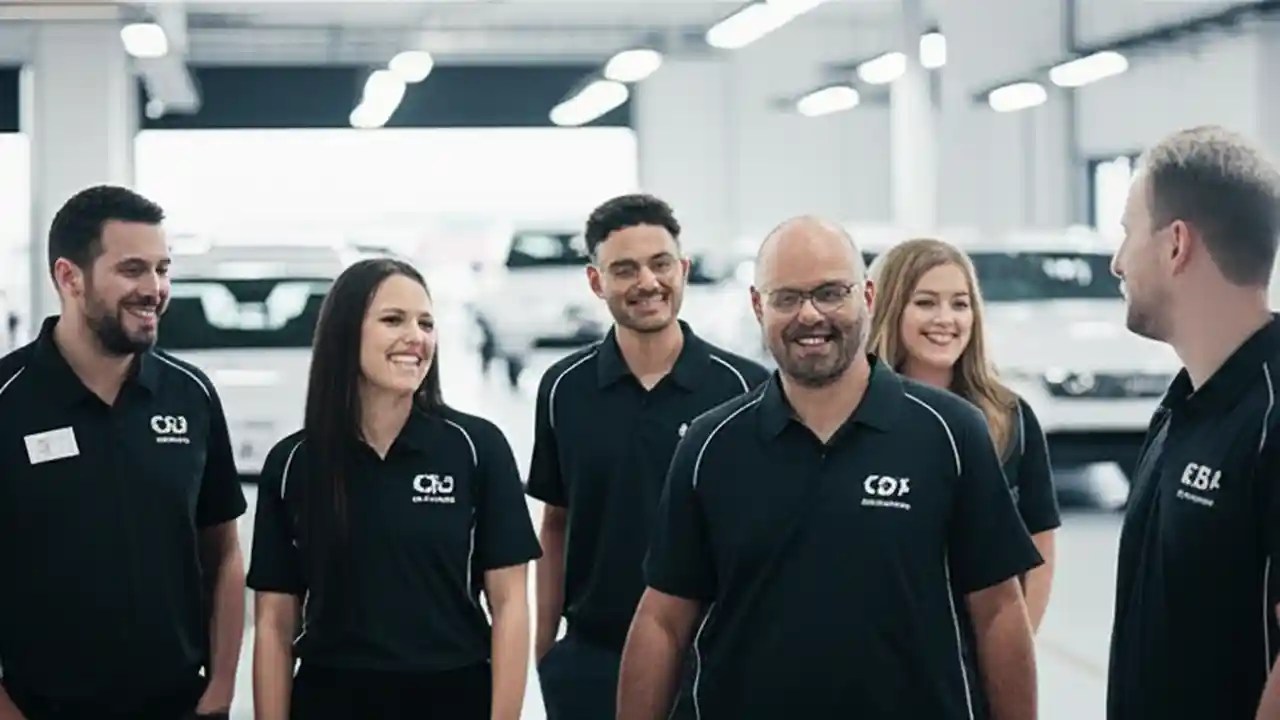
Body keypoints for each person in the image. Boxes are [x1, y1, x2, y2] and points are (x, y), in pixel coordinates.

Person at [619, 216, 1042, 719]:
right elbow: (663, 619)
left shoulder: (951, 433)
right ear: (759, 306)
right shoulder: (711, 446)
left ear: (866, 296)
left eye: (830, 293)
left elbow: (997, 609)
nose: (810, 315)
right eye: (787, 298)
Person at [247, 258, 541, 720]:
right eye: (393, 320)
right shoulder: (294, 463)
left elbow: (509, 607)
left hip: (453, 696)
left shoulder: (476, 449)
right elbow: (273, 623)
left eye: (426, 323)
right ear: (346, 333)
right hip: (330, 700)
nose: (417, 337)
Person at [0, 185, 247, 720]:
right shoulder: (7, 400)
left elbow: (223, 554)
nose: (154, 289)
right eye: (132, 269)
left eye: (162, 269)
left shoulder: (193, 396)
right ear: (69, 278)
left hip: (178, 705)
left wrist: (221, 689)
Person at [526, 193, 768, 719]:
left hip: (710, 657)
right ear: (596, 281)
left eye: (661, 265)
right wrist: (545, 652)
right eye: (625, 269)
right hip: (593, 660)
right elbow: (556, 525)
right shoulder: (563, 388)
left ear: (681, 269)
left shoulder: (745, 390)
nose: (648, 282)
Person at [1107, 125, 1280, 719]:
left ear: (1176, 244)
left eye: (1128, 233)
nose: (1117, 262)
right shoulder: (1181, 408)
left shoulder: (1272, 418)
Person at [868, 237, 1061, 632]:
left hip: (974, 654)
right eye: (925, 302)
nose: (946, 318)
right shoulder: (857, 414)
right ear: (889, 309)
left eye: (960, 303)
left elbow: (1038, 549)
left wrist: (1016, 650)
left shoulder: (1011, 418)